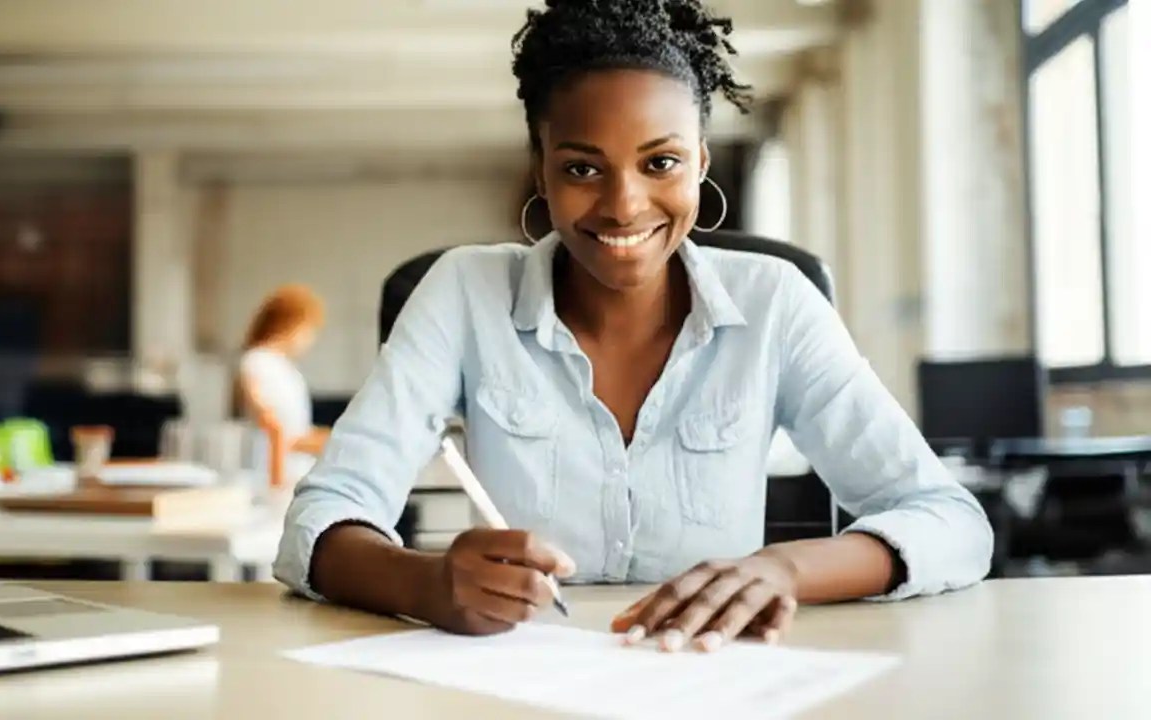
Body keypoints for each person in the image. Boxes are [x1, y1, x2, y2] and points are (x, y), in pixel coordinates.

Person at [274, 0, 992, 652]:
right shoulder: (464, 292)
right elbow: (320, 521)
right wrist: (424, 584)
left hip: (714, 676)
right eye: (584, 169)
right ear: (542, 172)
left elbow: (951, 522)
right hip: (526, 677)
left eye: (662, 162)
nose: (623, 205)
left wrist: (784, 567)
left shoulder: (776, 303)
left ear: (699, 163)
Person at [236, 284, 329, 486]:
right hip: (272, 477)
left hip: (295, 474)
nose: (310, 340)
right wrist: (277, 486)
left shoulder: (286, 368)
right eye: (310, 330)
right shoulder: (256, 361)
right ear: (292, 324)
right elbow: (273, 427)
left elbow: (295, 434)